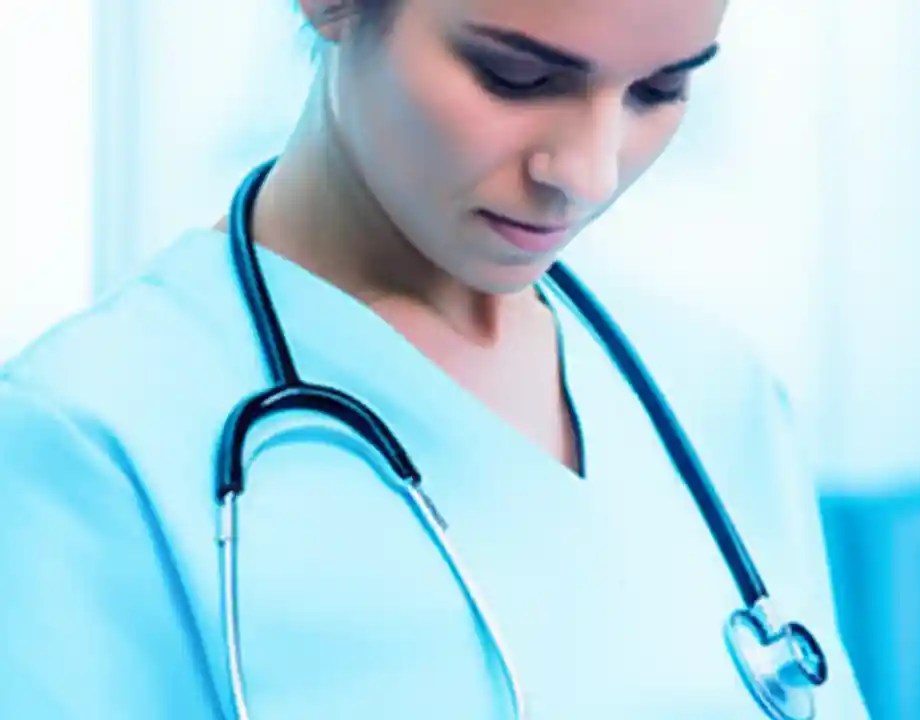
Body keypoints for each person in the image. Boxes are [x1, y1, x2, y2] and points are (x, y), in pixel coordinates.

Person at [0, 0, 869, 717]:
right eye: (516, 76)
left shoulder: (716, 393)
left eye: (660, 90)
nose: (590, 173)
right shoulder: (87, 438)